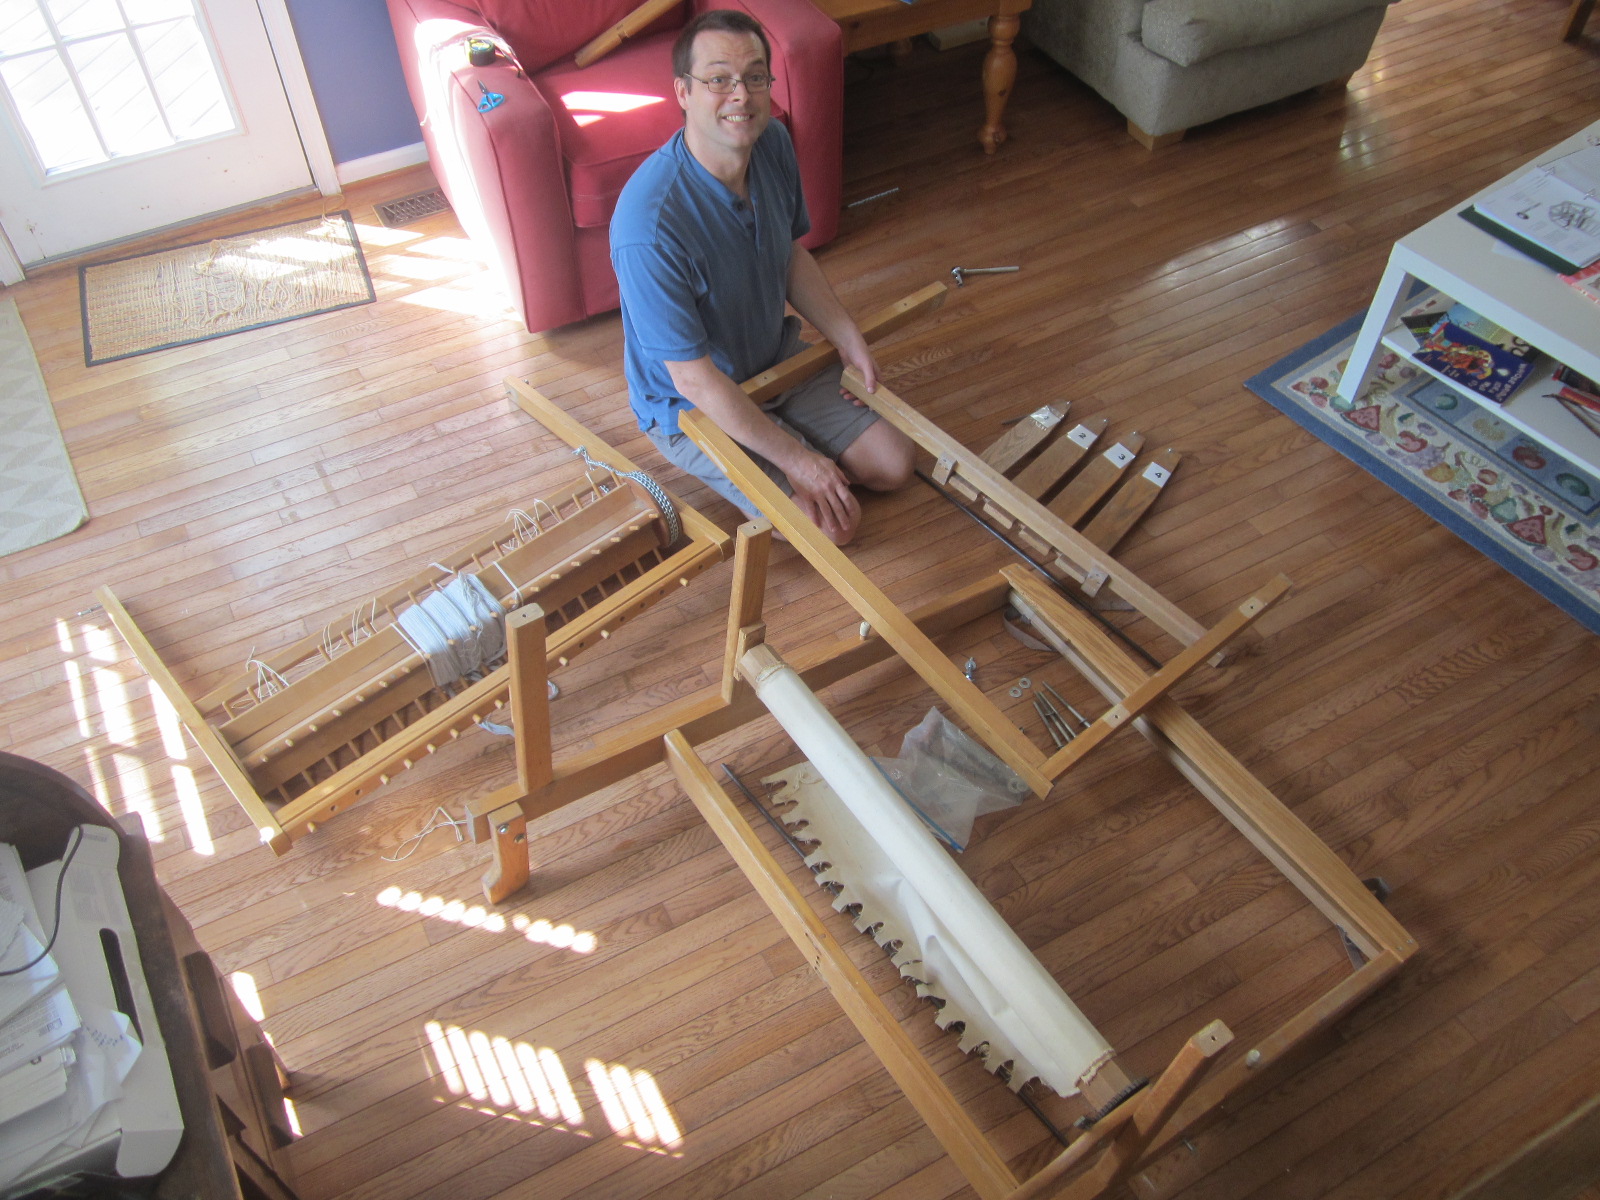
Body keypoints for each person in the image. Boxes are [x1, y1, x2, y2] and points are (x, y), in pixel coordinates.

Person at [610, 9, 914, 545]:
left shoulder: (771, 141)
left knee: (893, 466)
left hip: (772, 359)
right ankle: (794, 455)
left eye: (754, 76)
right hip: (692, 407)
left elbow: (789, 254)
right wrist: (800, 459)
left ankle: (801, 448)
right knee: (835, 529)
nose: (741, 96)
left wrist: (847, 339)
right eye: (719, 79)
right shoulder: (648, 225)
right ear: (683, 91)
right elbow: (694, 379)